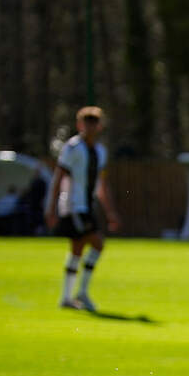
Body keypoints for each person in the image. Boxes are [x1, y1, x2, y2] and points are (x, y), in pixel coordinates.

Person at [45, 106, 120, 311]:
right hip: (74, 206)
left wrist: (110, 211)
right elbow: (58, 178)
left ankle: (67, 297)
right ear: (80, 125)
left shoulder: (100, 151)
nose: (91, 127)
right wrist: (51, 208)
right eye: (87, 123)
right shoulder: (72, 148)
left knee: (77, 249)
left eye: (94, 123)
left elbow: (102, 184)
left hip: (88, 206)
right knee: (97, 243)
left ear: (100, 126)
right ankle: (82, 292)